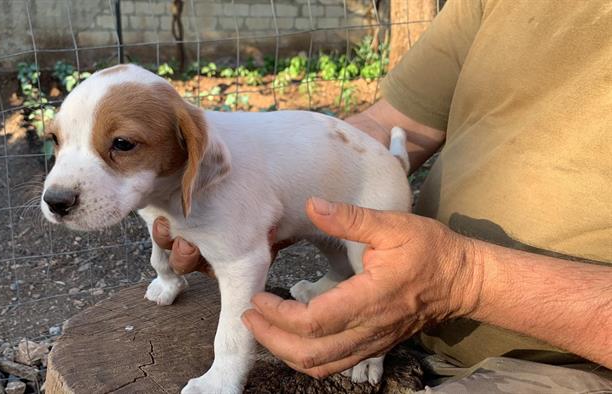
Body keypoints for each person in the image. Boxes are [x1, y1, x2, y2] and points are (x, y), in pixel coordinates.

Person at [152, 0, 612, 391]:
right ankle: (342, 280)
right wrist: (277, 182)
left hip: (563, 363)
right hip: (416, 299)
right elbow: (395, 123)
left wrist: (465, 280)